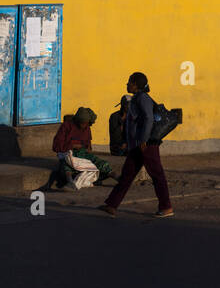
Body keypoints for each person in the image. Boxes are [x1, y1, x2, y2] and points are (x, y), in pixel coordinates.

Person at [100, 73, 173, 218]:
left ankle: (166, 207)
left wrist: (144, 140)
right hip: (137, 145)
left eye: (129, 82)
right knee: (127, 175)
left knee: (157, 174)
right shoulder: (136, 98)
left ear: (135, 84)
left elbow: (148, 118)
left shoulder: (142, 98)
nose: (126, 84)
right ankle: (112, 205)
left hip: (147, 145)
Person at [46, 106, 113, 189]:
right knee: (67, 165)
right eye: (83, 123)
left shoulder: (87, 128)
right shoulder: (66, 126)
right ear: (77, 121)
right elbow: (56, 146)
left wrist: (88, 149)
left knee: (101, 163)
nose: (84, 125)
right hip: (68, 153)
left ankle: (117, 178)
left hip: (82, 154)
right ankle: (70, 182)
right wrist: (72, 146)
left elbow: (88, 145)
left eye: (86, 123)